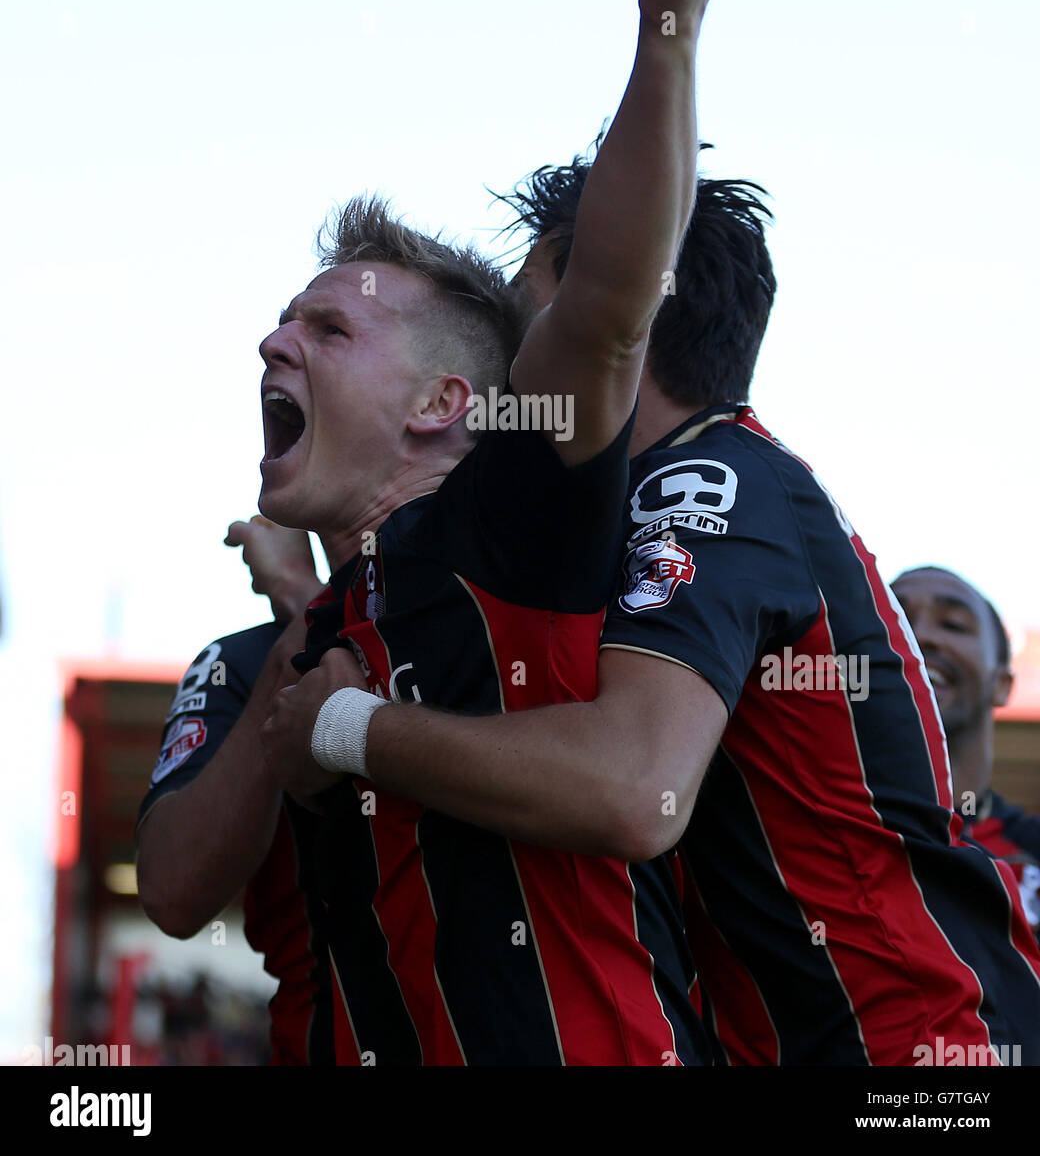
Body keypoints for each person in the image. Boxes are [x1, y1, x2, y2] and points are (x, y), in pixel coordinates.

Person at [269, 162, 1040, 1067]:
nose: (518, 342)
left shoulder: (708, 476)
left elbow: (637, 790)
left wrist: (347, 727)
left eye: (530, 301)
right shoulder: (664, 499)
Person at [167, 0, 744, 1066]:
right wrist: (297, 631)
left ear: (445, 401)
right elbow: (173, 886)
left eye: (328, 328)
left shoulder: (508, 518)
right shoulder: (312, 630)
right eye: (285, 321)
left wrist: (666, 26)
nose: (274, 341)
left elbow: (604, 305)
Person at [136, 518, 330, 1064]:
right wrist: (294, 640)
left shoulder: (506, 609)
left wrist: (300, 594)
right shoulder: (239, 663)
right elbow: (172, 892)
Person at [892, 566, 1040, 933]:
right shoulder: (786, 837)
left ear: (1002, 684)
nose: (919, 634)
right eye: (892, 615)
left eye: (954, 624)